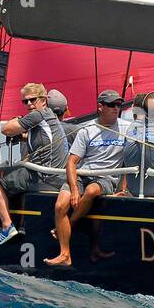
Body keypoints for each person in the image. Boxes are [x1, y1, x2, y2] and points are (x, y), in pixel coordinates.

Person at [45, 90, 132, 266]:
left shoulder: (128, 129)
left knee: (92, 190)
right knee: (61, 204)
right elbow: (71, 162)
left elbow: (130, 161)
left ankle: (69, 223)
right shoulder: (87, 130)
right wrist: (75, 190)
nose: (116, 108)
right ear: (100, 107)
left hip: (106, 179)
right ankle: (65, 254)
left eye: (118, 105)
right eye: (111, 105)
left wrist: (123, 189)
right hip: (83, 175)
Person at [0, 83, 68, 245]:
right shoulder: (49, 118)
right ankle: (20, 223)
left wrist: (17, 120)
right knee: (18, 169)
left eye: (32, 100)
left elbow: (6, 130)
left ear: (43, 101)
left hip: (44, 178)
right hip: (56, 178)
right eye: (25, 102)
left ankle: (7, 225)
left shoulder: (38, 115)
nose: (29, 104)